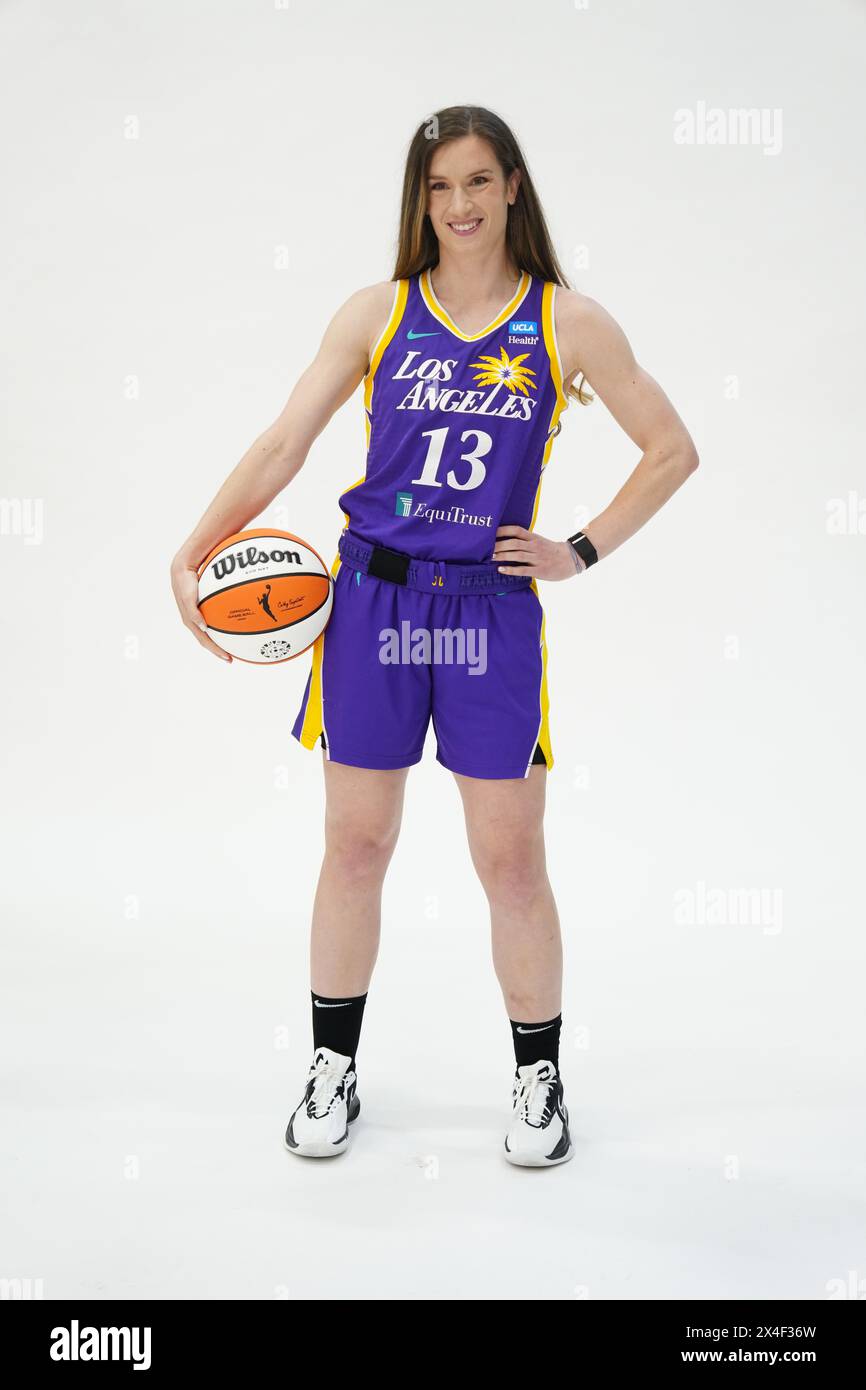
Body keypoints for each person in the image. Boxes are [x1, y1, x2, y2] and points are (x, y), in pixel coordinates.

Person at [171, 105, 698, 1168]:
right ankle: (332, 1065)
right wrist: (195, 549)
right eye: (436, 187)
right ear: (420, 202)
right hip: (369, 607)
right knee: (355, 846)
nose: (456, 205)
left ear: (512, 187)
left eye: (474, 181)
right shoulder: (376, 313)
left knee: (509, 859)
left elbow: (671, 449)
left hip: (488, 616)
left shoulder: (565, 322)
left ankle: (537, 1075)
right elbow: (284, 441)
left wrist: (578, 549)